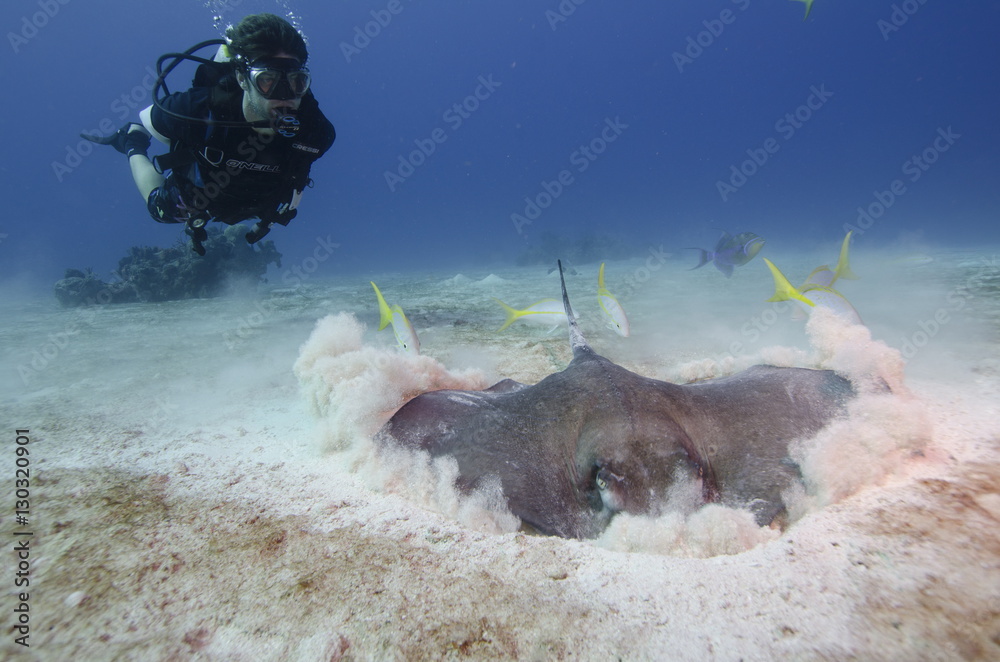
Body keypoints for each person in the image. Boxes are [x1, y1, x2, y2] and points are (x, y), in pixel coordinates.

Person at [88, 13, 335, 255]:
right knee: (159, 211)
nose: (285, 95)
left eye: (297, 81)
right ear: (242, 78)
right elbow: (153, 120)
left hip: (259, 201)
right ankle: (132, 141)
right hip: (202, 195)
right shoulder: (194, 110)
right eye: (267, 80)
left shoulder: (318, 133)